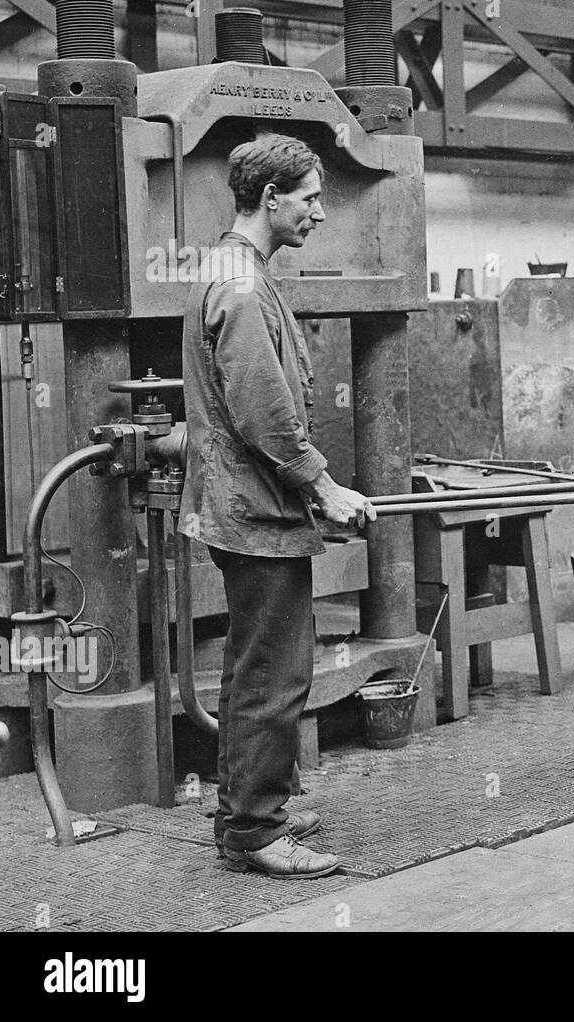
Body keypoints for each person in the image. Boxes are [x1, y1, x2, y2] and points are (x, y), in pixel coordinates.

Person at [179, 134, 377, 879]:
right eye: (310, 198)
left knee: (249, 668)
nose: (320, 214)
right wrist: (323, 486)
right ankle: (257, 833)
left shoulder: (235, 271)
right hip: (256, 513)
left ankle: (245, 809)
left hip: (246, 505)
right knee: (274, 675)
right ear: (270, 199)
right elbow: (264, 412)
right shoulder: (241, 286)